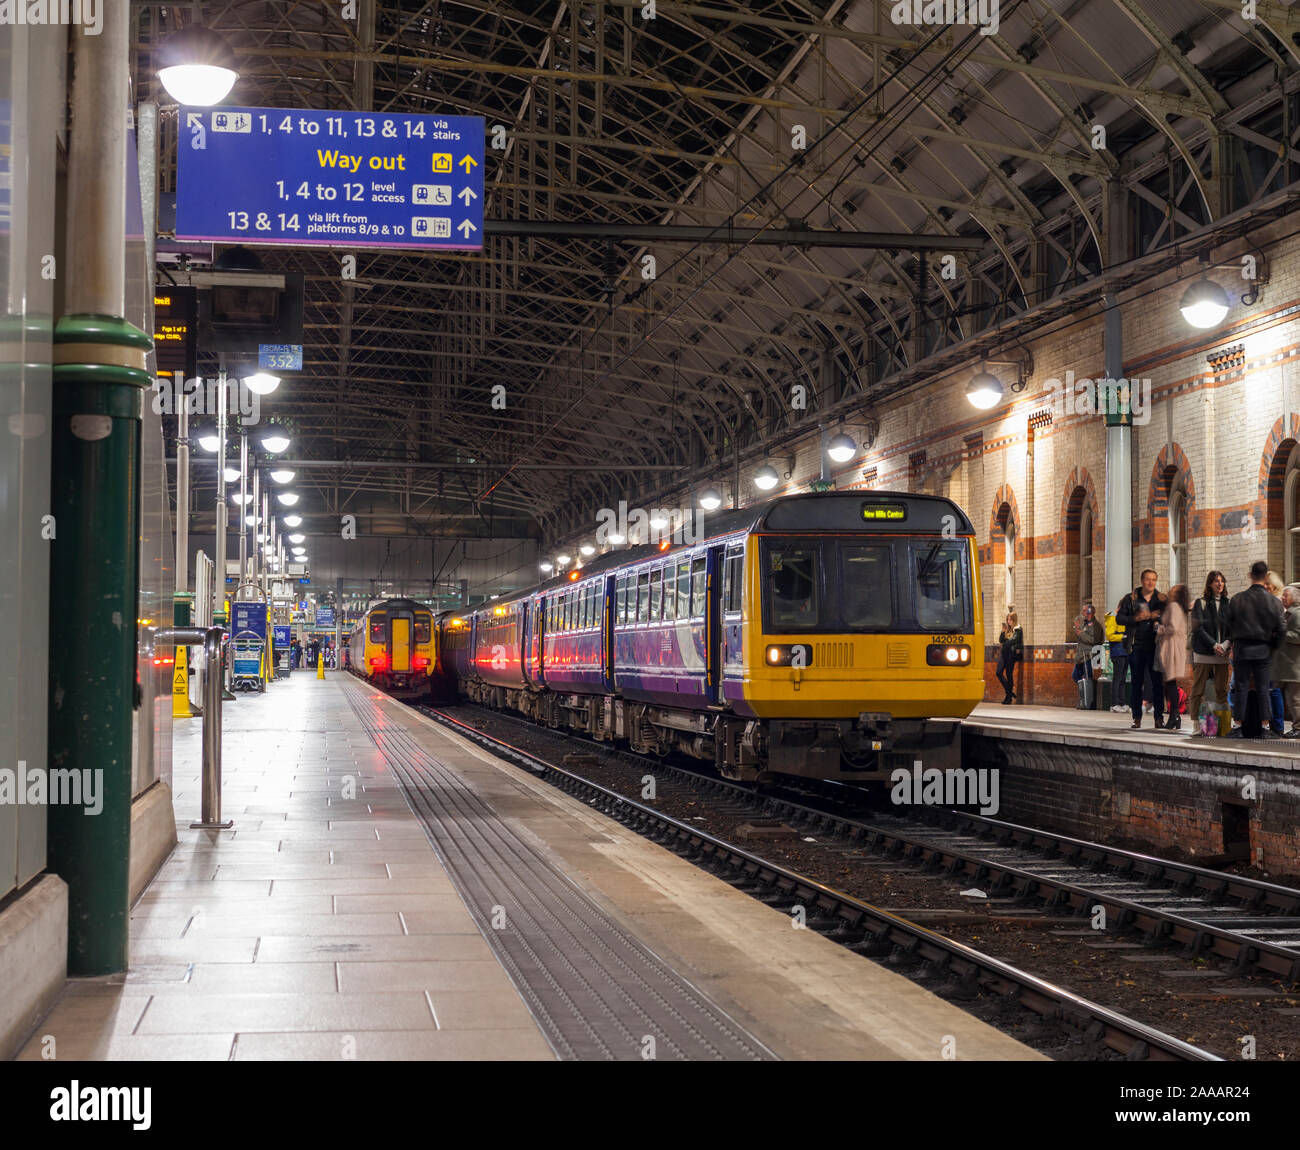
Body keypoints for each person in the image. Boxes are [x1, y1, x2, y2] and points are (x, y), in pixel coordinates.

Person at [1226, 560, 1285, 738]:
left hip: (1242, 648)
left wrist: (1234, 643)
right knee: (1263, 689)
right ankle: (1265, 728)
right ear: (1266, 576)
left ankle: (1238, 727)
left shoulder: (1237, 599)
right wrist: (1273, 646)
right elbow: (1282, 628)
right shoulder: (1274, 602)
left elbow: (1228, 625)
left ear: (1250, 575)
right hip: (1264, 649)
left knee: (1241, 687)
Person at [1117, 569, 1166, 729]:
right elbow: (1119, 618)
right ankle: (1136, 717)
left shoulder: (1160, 599)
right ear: (1142, 580)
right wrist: (1135, 618)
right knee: (1136, 683)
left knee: (1157, 683)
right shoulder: (1130, 599)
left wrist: (1157, 618)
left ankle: (1159, 717)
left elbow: (1168, 618)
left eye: (1153, 580)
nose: (1150, 583)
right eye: (1147, 579)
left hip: (1155, 647)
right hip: (1136, 646)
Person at [1189, 571, 1231, 730]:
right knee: (1198, 689)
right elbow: (1198, 629)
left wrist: (1225, 644)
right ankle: (1198, 726)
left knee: (1221, 689)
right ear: (1209, 584)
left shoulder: (1229, 603)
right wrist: (1215, 645)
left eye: (1221, 581)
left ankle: (1221, 727)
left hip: (1223, 652)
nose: (1219, 584)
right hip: (1204, 652)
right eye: (1216, 581)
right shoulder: (1201, 603)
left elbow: (1233, 628)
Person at [1157, 584, 1190, 729]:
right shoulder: (1180, 608)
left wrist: (1159, 628)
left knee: (1170, 684)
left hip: (1171, 648)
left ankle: (1174, 716)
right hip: (1177, 648)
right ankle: (1174, 717)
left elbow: (1172, 628)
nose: (1170, 589)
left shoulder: (1174, 607)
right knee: (1171, 684)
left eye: (1173, 588)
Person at [1272, 585, 1300, 737]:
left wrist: (1282, 632)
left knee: (1295, 699)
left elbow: (1298, 636)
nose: (1282, 597)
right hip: (1288, 665)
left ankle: (1299, 728)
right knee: (1292, 698)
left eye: (1286, 595)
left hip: (1295, 665)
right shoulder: (1289, 613)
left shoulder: (1297, 614)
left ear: (1294, 598)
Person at [1071, 603, 1105, 709]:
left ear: (1090, 612)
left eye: (1085, 611)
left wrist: (1081, 633)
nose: (1083, 613)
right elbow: (1081, 636)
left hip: (1088, 656)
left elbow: (1094, 640)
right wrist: (1077, 630)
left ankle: (1088, 701)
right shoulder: (1085, 624)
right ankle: (1084, 698)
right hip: (1080, 657)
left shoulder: (1096, 626)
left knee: (1088, 678)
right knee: (1075, 676)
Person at [1266, 571, 1287, 733]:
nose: (1265, 586)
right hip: (1273, 651)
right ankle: (1275, 724)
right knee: (1272, 688)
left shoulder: (1276, 602)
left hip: (1273, 652)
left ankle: (1277, 725)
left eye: (1267, 583)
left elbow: (1279, 628)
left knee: (1273, 689)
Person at [1105, 608, 1129, 712]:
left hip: (1125, 651)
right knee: (1117, 678)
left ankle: (1122, 703)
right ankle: (1114, 703)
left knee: (1123, 679)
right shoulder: (1112, 619)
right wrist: (1123, 637)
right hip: (1117, 652)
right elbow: (1110, 636)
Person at [996, 610, 1022, 704]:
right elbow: (1001, 640)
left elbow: (1014, 640)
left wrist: (1005, 644)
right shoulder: (1007, 629)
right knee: (998, 672)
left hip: (1011, 654)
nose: (1008, 621)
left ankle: (1008, 697)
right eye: (1008, 619)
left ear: (1014, 620)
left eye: (1010, 619)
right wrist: (1003, 632)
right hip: (1004, 653)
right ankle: (1010, 692)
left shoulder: (1018, 629)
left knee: (1009, 674)